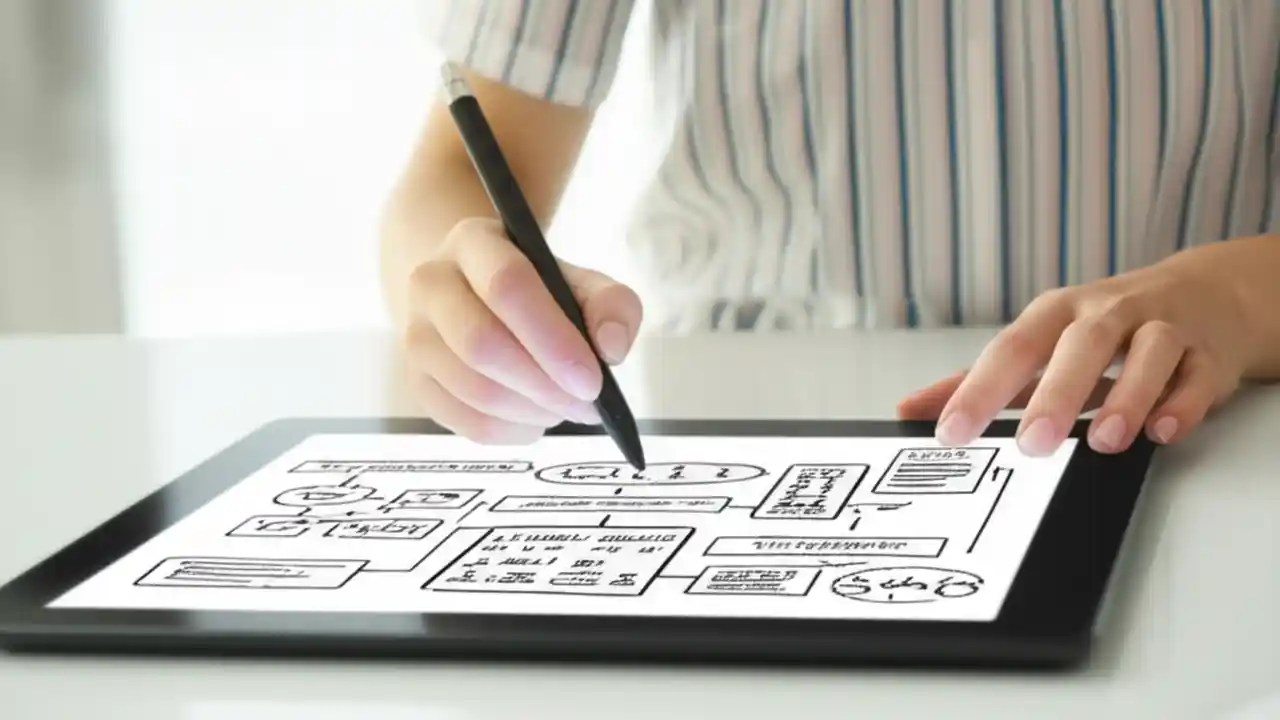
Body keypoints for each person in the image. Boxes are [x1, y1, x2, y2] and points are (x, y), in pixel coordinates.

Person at [380, 0, 1279, 457]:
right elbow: (459, 173)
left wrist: (1237, 296)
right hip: (741, 424)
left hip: (1199, 431)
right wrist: (464, 297)